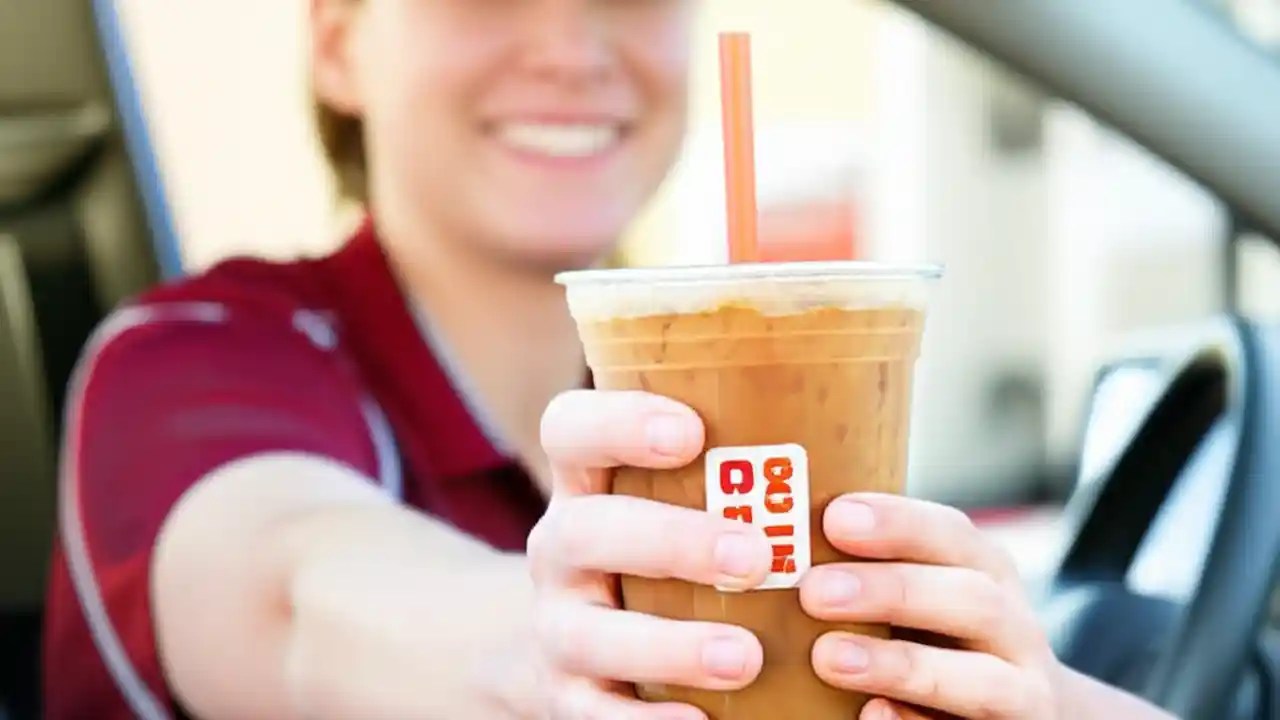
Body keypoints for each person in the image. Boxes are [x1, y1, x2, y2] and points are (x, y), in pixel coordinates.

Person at [42, 1, 1177, 718]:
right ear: (340, 41)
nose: (571, 49)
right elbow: (296, 601)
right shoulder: (193, 358)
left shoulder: (733, 398)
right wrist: (550, 658)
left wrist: (1041, 699)